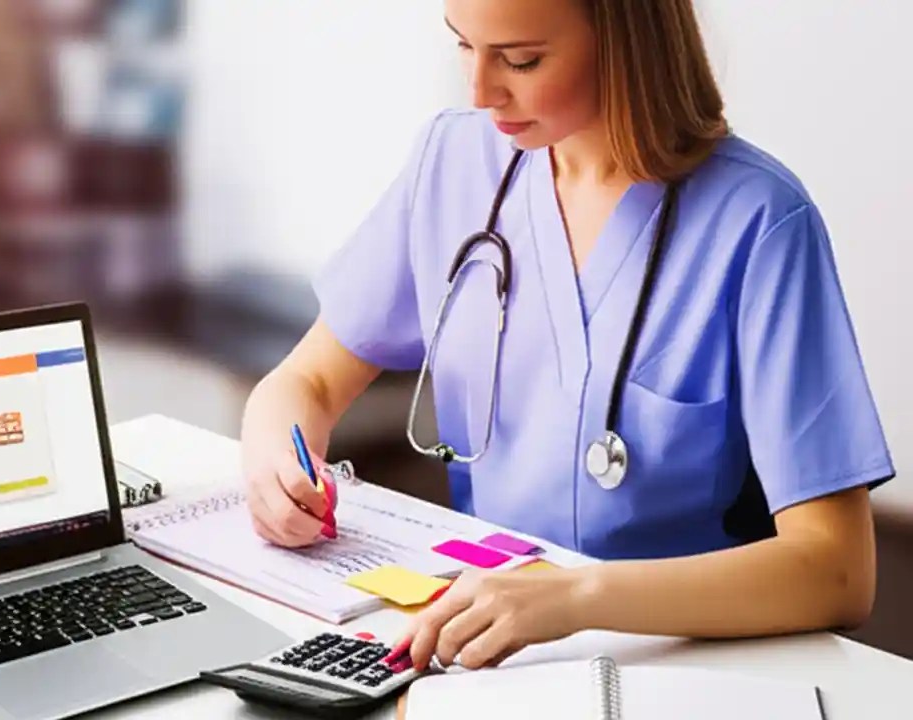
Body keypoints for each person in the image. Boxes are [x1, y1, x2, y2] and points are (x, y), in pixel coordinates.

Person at [239, 0, 895, 673]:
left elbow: (836, 572)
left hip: (689, 660)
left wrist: (575, 598)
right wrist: (272, 455)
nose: (480, 92)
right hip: (486, 652)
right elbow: (308, 380)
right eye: (463, 46)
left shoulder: (759, 222)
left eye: (522, 60)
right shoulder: (453, 162)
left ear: (626, 38)